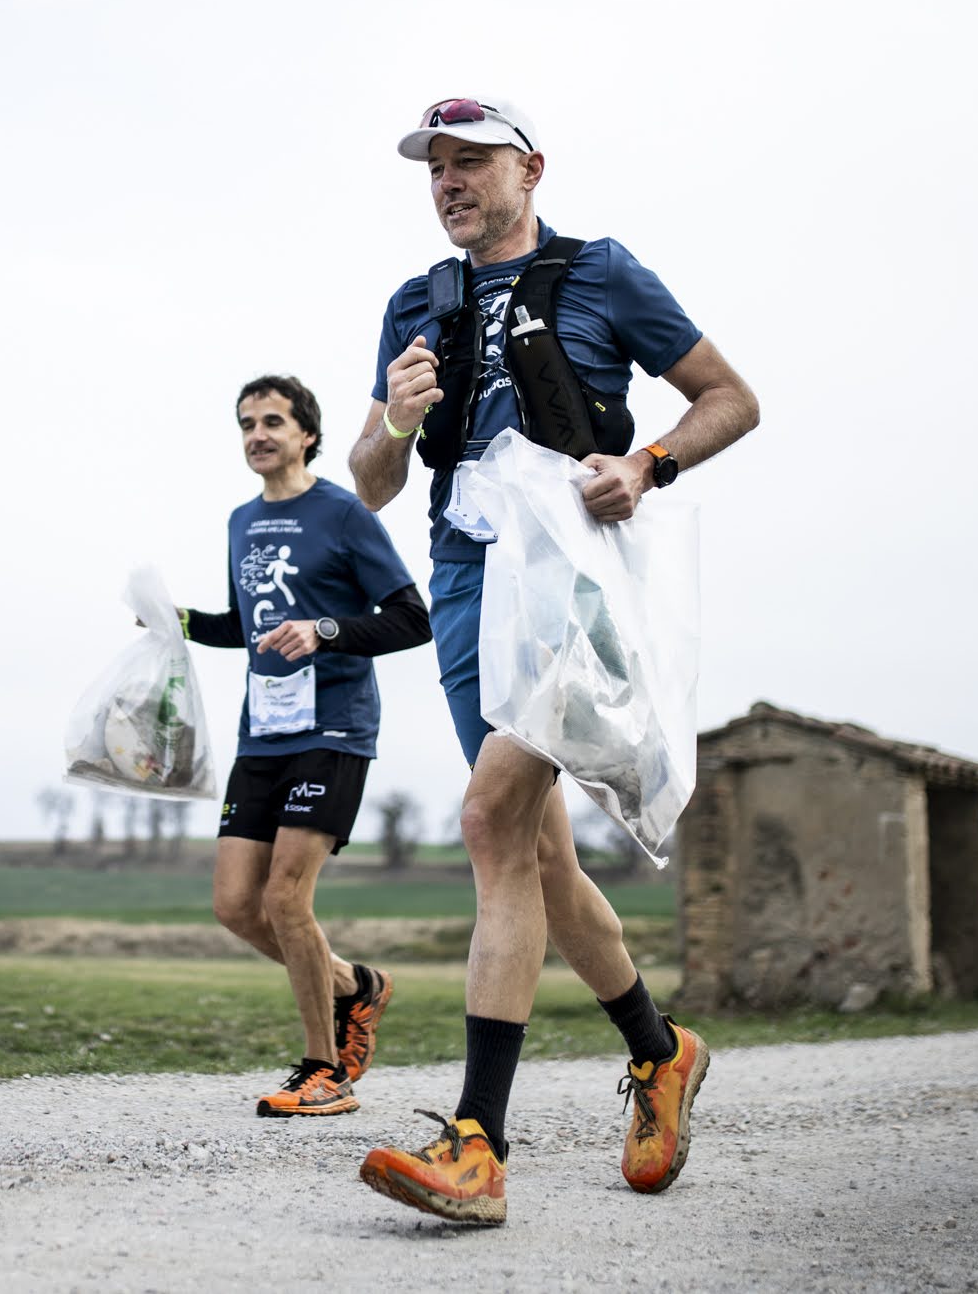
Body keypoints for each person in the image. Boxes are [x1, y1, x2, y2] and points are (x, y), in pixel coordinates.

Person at [346, 98, 759, 1222]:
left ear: (529, 168)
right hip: (464, 583)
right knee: (531, 851)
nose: (448, 182)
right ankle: (659, 1050)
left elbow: (730, 399)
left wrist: (648, 463)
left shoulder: (602, 271)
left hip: (573, 582)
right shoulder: (413, 303)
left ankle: (478, 1148)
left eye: (470, 162)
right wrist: (391, 418)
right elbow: (374, 480)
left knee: (486, 821)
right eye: (435, 168)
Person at [177, 374, 433, 1118]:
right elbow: (245, 624)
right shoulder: (239, 521)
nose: (258, 434)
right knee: (235, 904)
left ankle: (326, 1071)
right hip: (262, 733)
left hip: (335, 727)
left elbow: (411, 618)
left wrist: (323, 631)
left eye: (274, 422)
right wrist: (178, 623)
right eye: (247, 424)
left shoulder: (344, 514)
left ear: (307, 435)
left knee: (287, 897)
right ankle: (357, 985)